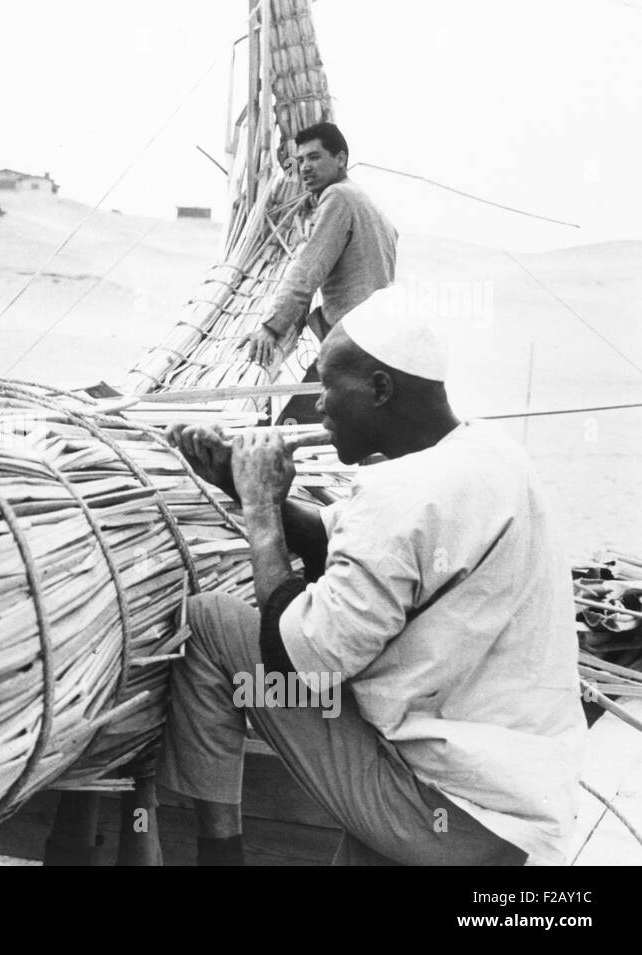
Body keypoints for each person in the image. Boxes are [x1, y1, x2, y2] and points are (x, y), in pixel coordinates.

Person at [161, 289, 586, 865]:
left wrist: (260, 512)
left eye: (330, 388)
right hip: (521, 810)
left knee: (210, 622)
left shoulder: (402, 494)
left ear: (382, 390)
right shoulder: (488, 455)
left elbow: (294, 658)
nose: (319, 409)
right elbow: (337, 538)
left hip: (442, 805)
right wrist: (238, 482)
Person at [245, 122, 397, 423]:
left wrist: (272, 327)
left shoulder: (338, 197)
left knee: (290, 431)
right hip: (380, 344)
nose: (304, 168)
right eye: (299, 161)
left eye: (314, 157)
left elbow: (308, 269)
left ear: (340, 158)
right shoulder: (373, 208)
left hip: (351, 348)